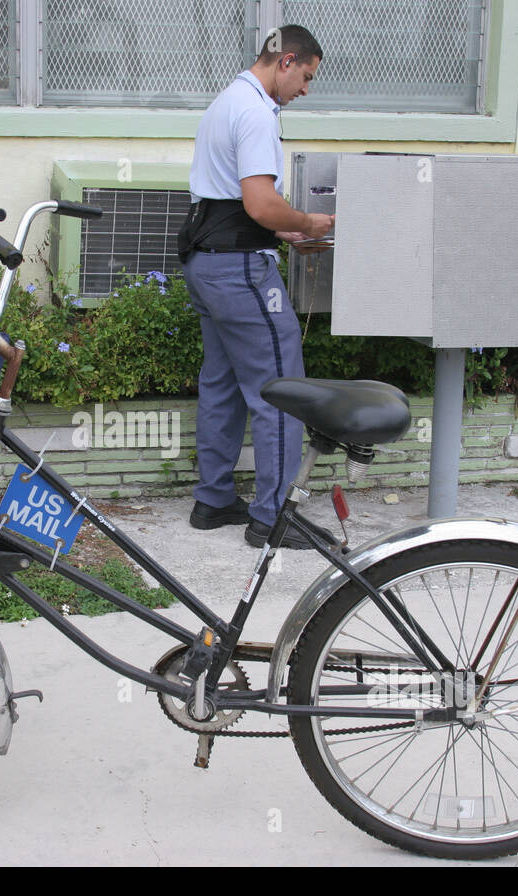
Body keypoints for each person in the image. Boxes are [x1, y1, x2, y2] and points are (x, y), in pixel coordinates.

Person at [179, 25, 335, 549]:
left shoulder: (227, 100)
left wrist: (280, 231)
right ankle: (272, 517)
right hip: (242, 273)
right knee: (281, 390)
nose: (306, 90)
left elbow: (233, 204)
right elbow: (260, 203)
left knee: (222, 383)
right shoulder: (257, 113)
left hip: (208, 264)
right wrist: (309, 224)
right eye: (307, 77)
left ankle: (214, 499)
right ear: (286, 60)